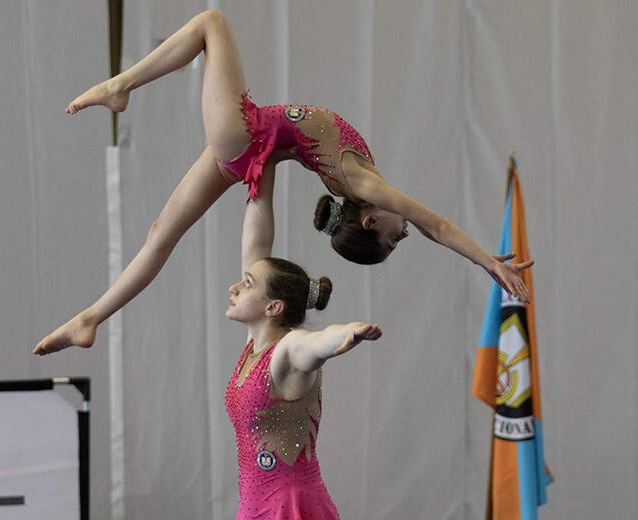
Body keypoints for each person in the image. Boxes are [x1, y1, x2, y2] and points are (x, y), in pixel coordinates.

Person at [34, 9, 530, 355]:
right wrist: (485, 259)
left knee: (212, 23)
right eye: (402, 237)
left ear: (373, 218)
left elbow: (436, 226)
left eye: (395, 235)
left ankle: (120, 86)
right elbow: (427, 228)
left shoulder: (367, 187)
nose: (408, 230)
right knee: (160, 237)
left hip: (245, 133)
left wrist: (487, 261)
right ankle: (91, 318)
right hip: (253, 151)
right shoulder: (355, 187)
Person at [225, 157, 380, 519]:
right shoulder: (254, 345)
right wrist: (262, 169)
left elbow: (317, 342)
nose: (234, 288)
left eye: (246, 285)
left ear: (273, 307)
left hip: (289, 505)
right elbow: (256, 241)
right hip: (256, 504)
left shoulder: (288, 350)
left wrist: (347, 332)